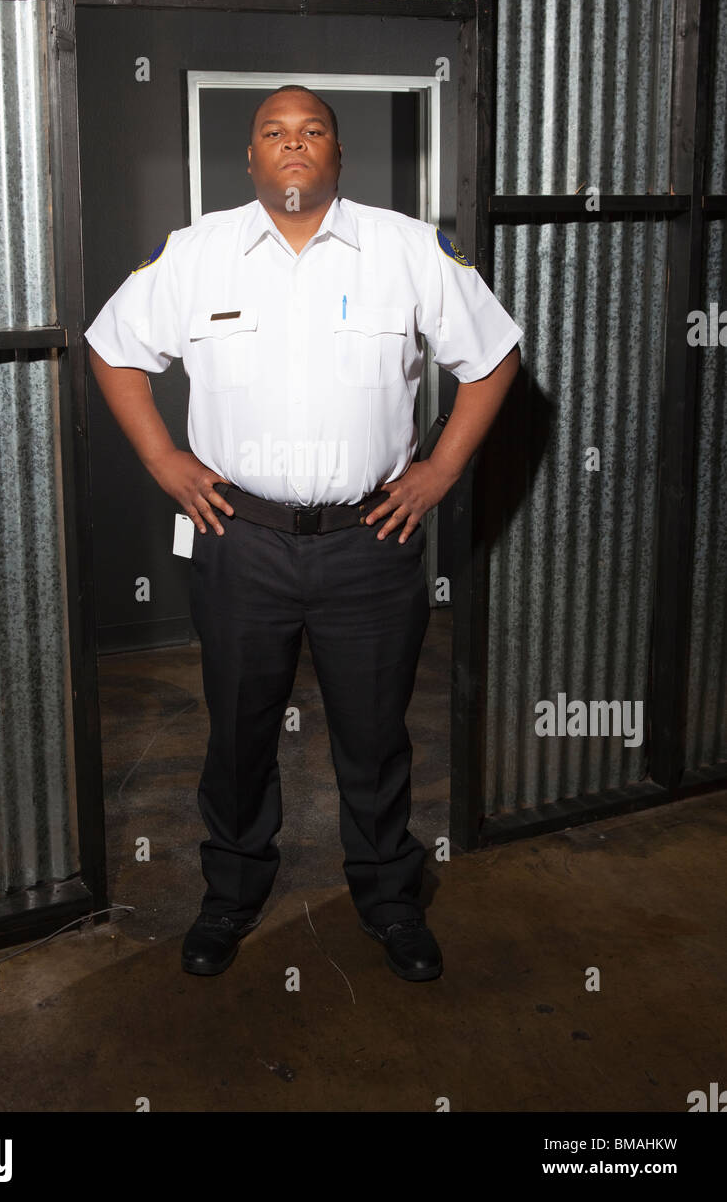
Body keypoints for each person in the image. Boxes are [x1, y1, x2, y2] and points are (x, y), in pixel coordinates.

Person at [85, 84, 522, 983]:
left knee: (374, 734)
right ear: (250, 160)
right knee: (238, 732)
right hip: (238, 536)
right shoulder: (199, 253)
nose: (293, 145)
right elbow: (111, 346)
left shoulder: (406, 249)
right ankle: (233, 893)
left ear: (335, 154)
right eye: (273, 133)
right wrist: (166, 460)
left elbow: (494, 357)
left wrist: (438, 471)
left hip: (369, 540)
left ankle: (390, 898)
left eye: (311, 130)